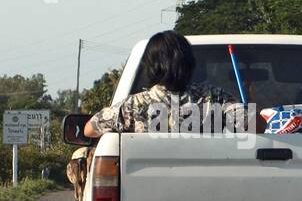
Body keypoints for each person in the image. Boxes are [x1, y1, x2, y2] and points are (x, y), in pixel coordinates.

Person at [83, 31, 247, 136]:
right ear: (189, 63)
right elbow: (254, 123)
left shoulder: (132, 106)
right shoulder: (214, 98)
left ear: (151, 66)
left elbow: (89, 129)